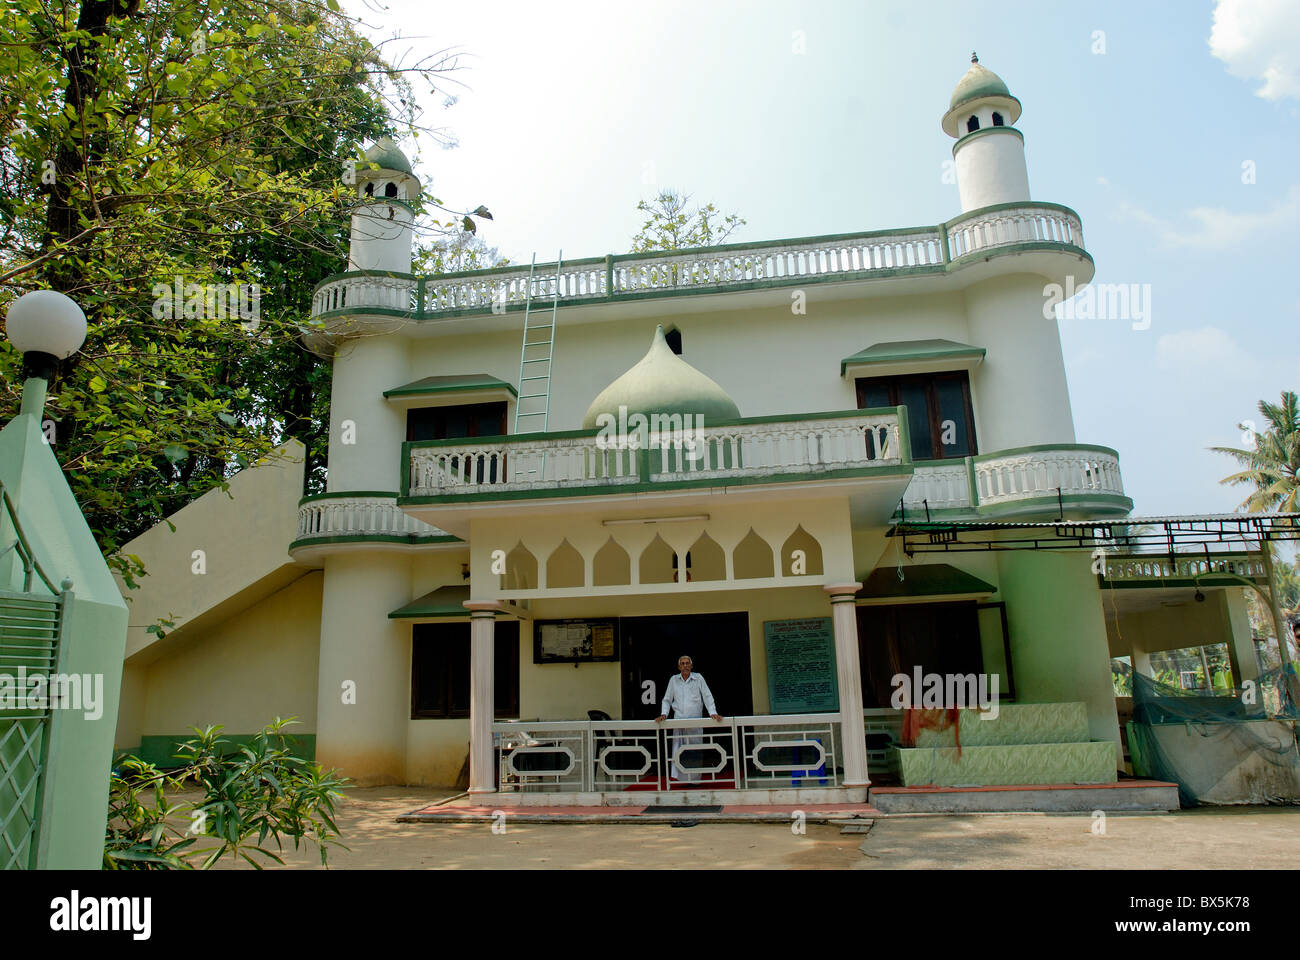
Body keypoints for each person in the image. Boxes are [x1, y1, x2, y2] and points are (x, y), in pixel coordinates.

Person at [656, 655, 723, 781]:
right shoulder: (673, 680)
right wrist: (664, 713)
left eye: (687, 663)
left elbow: (707, 696)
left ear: (691, 666)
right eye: (682, 663)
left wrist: (712, 712)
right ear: (679, 666)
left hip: (695, 722)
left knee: (695, 750)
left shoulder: (698, 678)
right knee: (679, 751)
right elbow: (667, 699)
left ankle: (694, 780)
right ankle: (681, 779)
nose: (685, 665)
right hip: (679, 722)